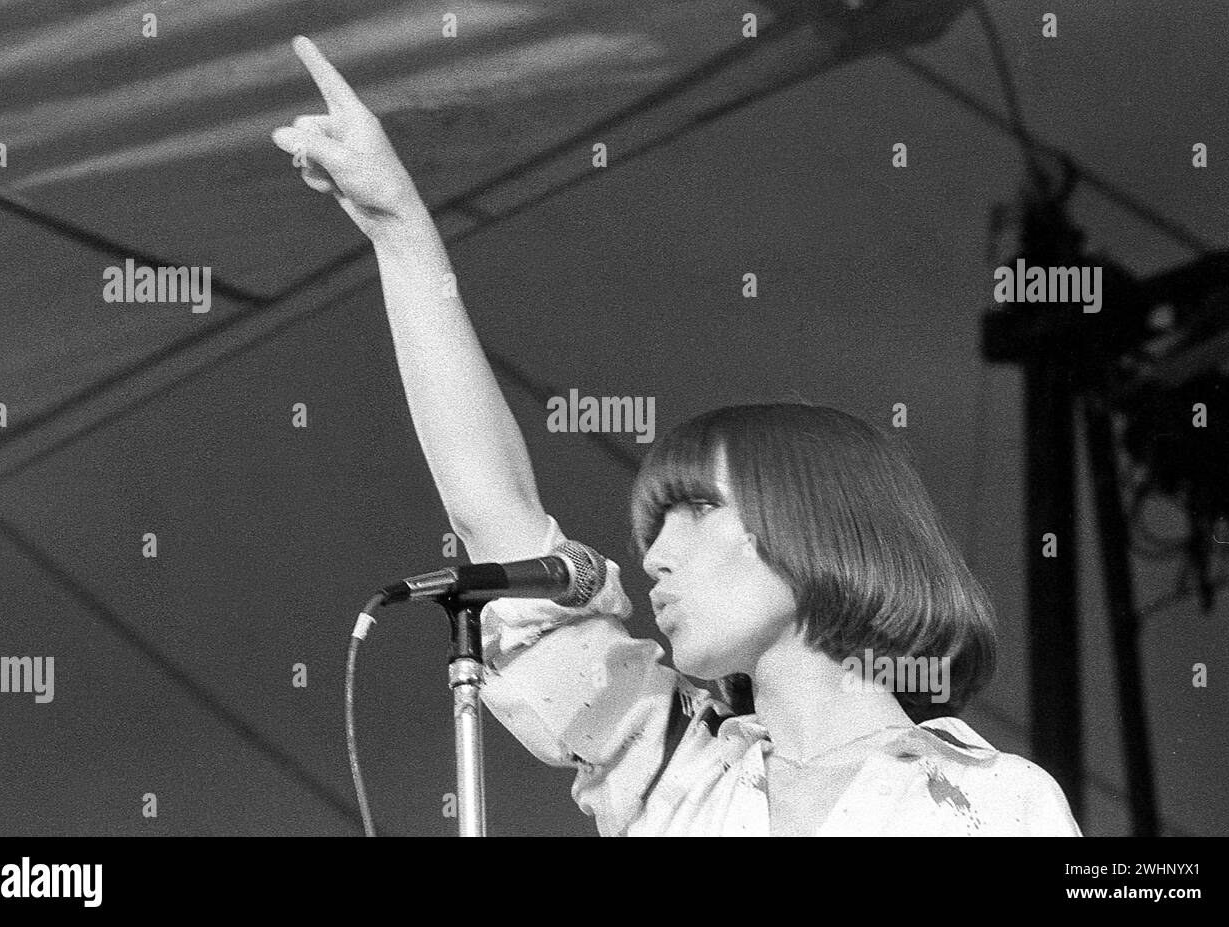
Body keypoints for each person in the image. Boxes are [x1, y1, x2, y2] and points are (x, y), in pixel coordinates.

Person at [271, 36, 1082, 837]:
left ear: (818, 519)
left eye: (695, 509)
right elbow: (493, 510)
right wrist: (399, 228)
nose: (655, 556)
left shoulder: (1000, 803)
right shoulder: (673, 775)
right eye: (652, 528)